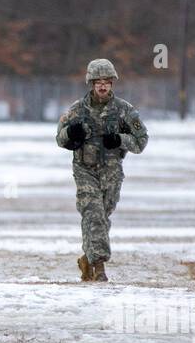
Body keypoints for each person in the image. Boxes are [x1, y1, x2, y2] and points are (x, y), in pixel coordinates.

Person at [55, 58, 149, 282]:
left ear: (112, 83)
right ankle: (100, 267)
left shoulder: (125, 110)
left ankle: (87, 259)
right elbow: (60, 139)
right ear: (91, 83)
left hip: (112, 172)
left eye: (107, 81)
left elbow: (141, 140)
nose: (103, 86)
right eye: (98, 81)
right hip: (85, 170)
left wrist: (119, 139)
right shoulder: (77, 109)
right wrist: (72, 134)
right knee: (93, 214)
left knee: (101, 217)